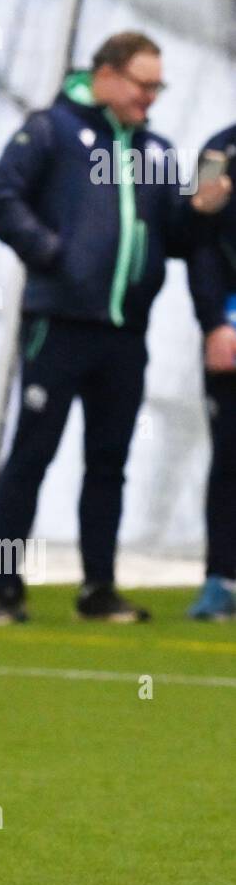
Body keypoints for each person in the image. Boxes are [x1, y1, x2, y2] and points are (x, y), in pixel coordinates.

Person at [0, 32, 228, 626]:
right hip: (59, 324)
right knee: (32, 456)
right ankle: (4, 588)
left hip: (125, 334)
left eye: (158, 87)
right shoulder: (51, 130)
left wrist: (198, 211)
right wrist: (53, 254)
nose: (151, 98)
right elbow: (2, 201)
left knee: (109, 462)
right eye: (145, 85)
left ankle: (98, 588)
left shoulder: (156, 151)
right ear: (108, 75)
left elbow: (175, 238)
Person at [186, 125, 236, 620]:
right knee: (229, 458)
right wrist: (213, 324)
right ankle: (222, 579)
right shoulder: (218, 151)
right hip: (232, 332)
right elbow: (198, 242)